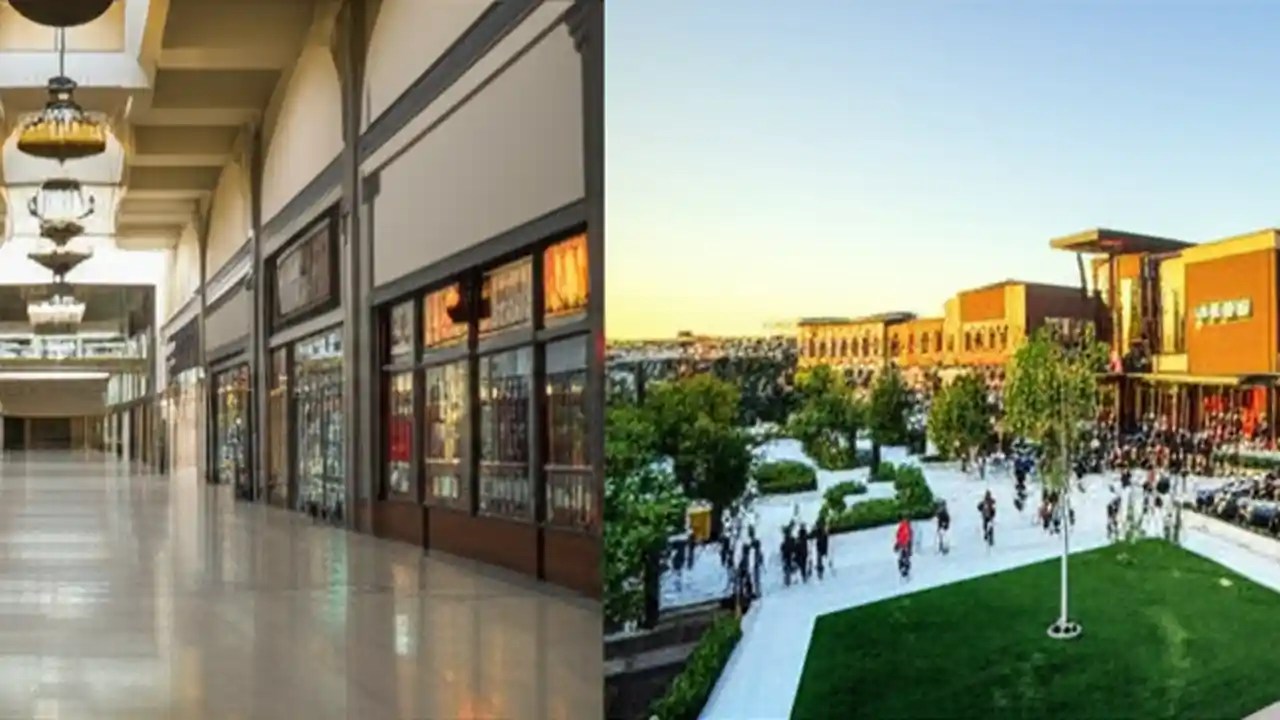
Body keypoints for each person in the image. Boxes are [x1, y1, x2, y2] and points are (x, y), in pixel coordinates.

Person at [894, 514, 913, 579]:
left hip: (904, 544)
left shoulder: (904, 525)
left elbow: (903, 536)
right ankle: (905, 569)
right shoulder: (905, 525)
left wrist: (899, 544)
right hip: (905, 544)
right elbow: (902, 536)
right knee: (904, 557)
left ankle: (904, 569)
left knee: (903, 557)